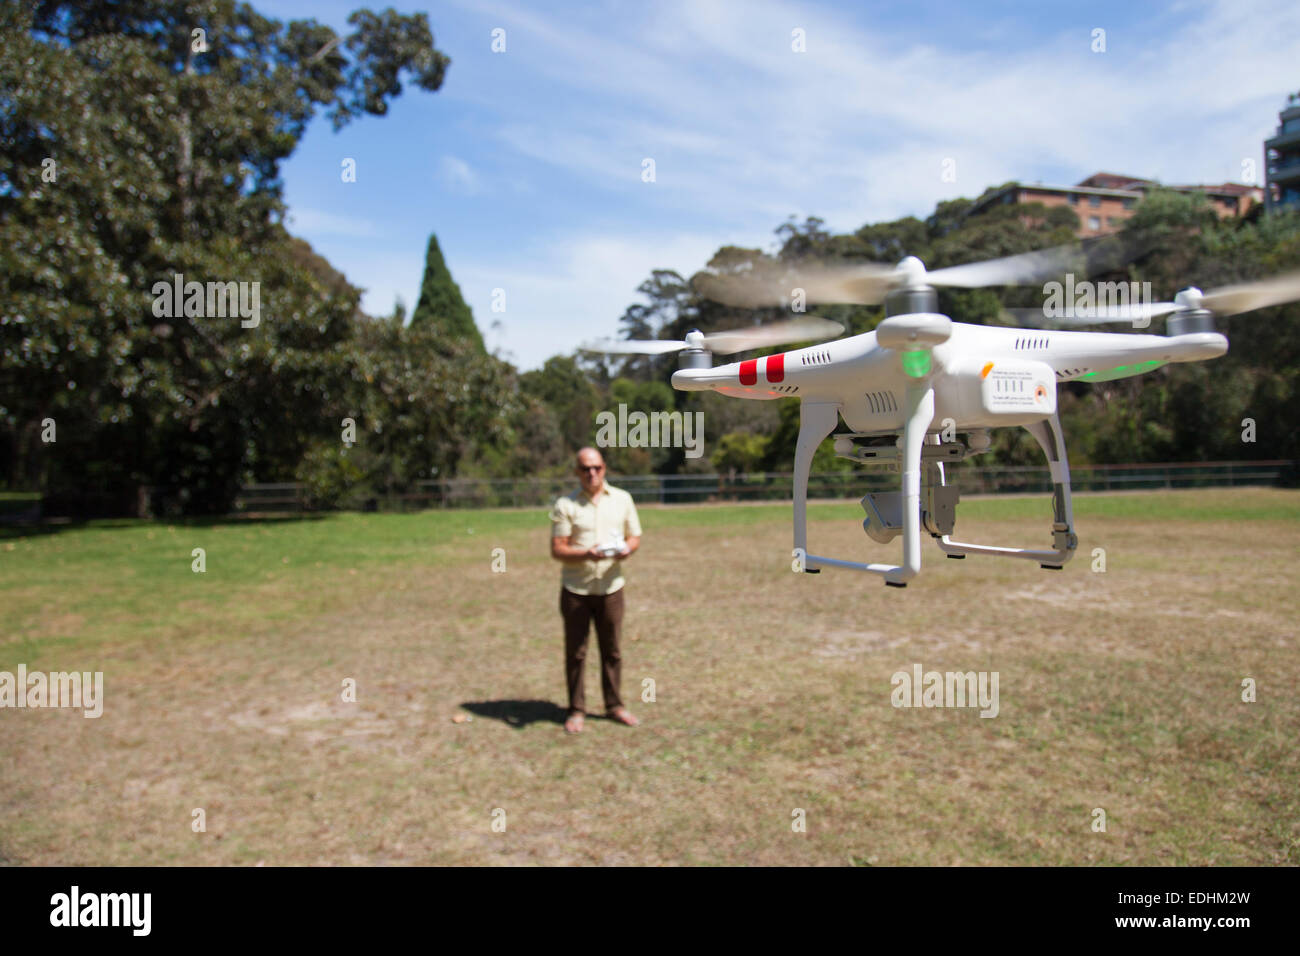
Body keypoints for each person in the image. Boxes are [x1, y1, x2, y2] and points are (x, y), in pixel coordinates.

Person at [549, 447, 642, 734]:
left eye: (597, 468)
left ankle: (614, 705)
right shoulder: (566, 505)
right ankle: (576, 709)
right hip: (576, 590)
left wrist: (627, 549)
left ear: (605, 469)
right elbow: (558, 549)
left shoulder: (623, 499)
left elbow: (634, 535)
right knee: (576, 653)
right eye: (586, 469)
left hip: (611, 588)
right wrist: (587, 554)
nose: (592, 473)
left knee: (612, 650)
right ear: (577, 472)